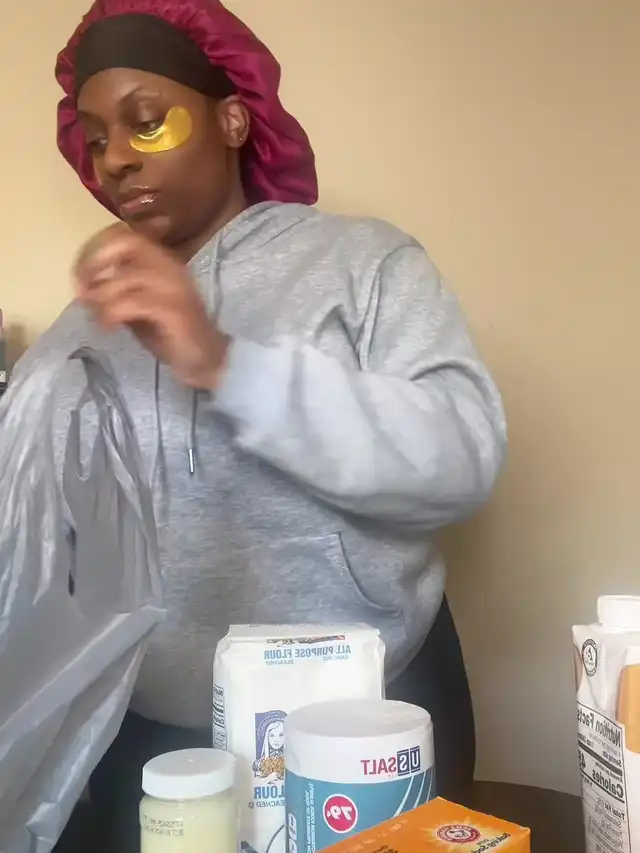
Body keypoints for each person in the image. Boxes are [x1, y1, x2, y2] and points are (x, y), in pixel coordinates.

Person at [17, 0, 506, 848]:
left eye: (146, 120)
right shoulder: (85, 325)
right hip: (156, 748)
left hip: (366, 728)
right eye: (96, 139)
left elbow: (461, 456)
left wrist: (224, 361)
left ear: (233, 120)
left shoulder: (364, 263)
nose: (117, 157)